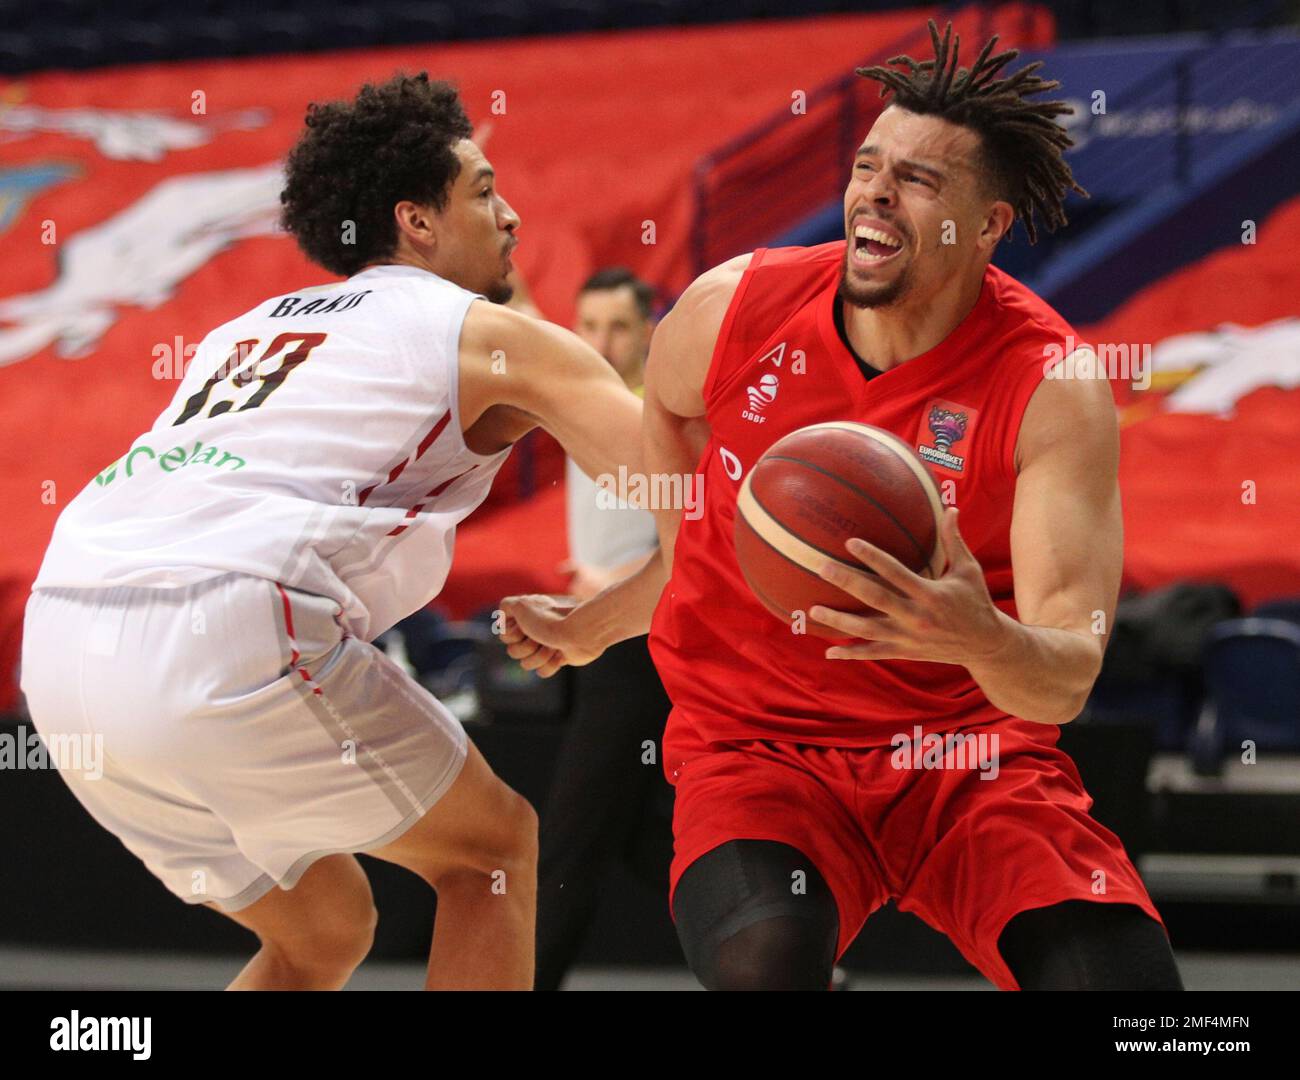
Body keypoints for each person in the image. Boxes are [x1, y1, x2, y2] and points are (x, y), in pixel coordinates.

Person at [500, 23, 1185, 990]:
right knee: (767, 963)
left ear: (987, 225)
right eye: (869, 165)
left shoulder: (1052, 385)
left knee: (1136, 1000)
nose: (873, 191)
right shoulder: (730, 309)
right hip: (759, 753)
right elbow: (682, 478)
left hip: (968, 761)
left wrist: (980, 636)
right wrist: (621, 609)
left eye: (917, 180)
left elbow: (1067, 675)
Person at [19, 72, 644, 991]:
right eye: (484, 192)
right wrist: (597, 622)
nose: (511, 216)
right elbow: (694, 502)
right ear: (417, 221)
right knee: (495, 853)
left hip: (62, 644)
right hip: (226, 621)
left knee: (325, 930)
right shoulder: (486, 334)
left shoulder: (245, 329)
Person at [536, 268, 673, 990]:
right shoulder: (580, 392)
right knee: (629, 833)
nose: (600, 340)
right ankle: (793, 952)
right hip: (599, 636)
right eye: (588, 325)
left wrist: (615, 585)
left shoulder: (665, 411)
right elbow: (517, 307)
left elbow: (698, 528)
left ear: (649, 327)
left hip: (640, 642)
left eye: (617, 326)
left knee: (570, 837)